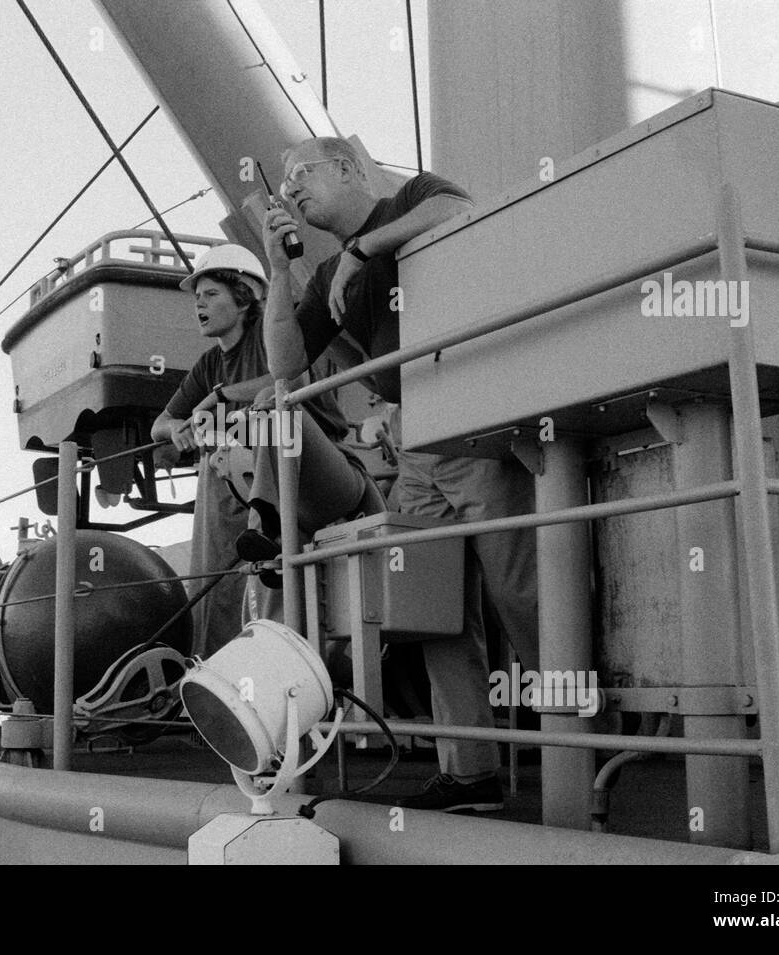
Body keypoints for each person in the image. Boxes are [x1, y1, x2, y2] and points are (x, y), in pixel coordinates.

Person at [261, 136, 539, 813]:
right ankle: (472, 771)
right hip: (416, 444)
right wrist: (277, 267)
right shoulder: (327, 279)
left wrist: (364, 249)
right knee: (433, 610)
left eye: (305, 173)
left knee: (522, 592)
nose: (292, 188)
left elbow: (457, 208)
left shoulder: (408, 199)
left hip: (474, 418)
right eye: (285, 181)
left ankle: (582, 742)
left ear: (351, 168)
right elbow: (283, 363)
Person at [151, 244, 362, 656]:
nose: (199, 304)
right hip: (244, 491)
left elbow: (288, 383)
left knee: (267, 413)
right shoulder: (209, 363)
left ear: (244, 294)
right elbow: (162, 424)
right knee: (214, 476)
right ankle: (220, 664)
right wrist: (180, 428)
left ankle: (267, 545)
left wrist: (221, 398)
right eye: (197, 297)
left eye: (210, 294)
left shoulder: (274, 333)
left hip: (311, 473)